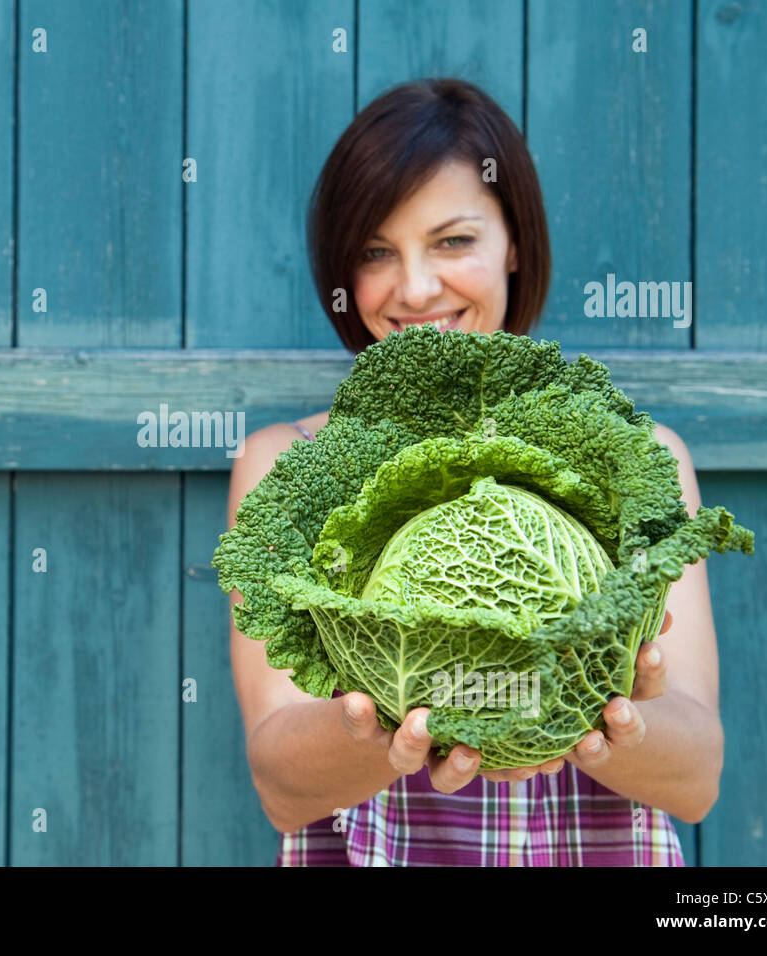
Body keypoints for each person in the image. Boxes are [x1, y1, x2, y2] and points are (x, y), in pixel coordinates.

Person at [226, 78, 719, 866]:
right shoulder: (288, 465)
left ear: (514, 242)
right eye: (375, 251)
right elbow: (281, 785)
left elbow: (696, 780)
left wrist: (605, 722)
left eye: (453, 242)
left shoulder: (639, 459)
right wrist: (388, 725)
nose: (415, 289)